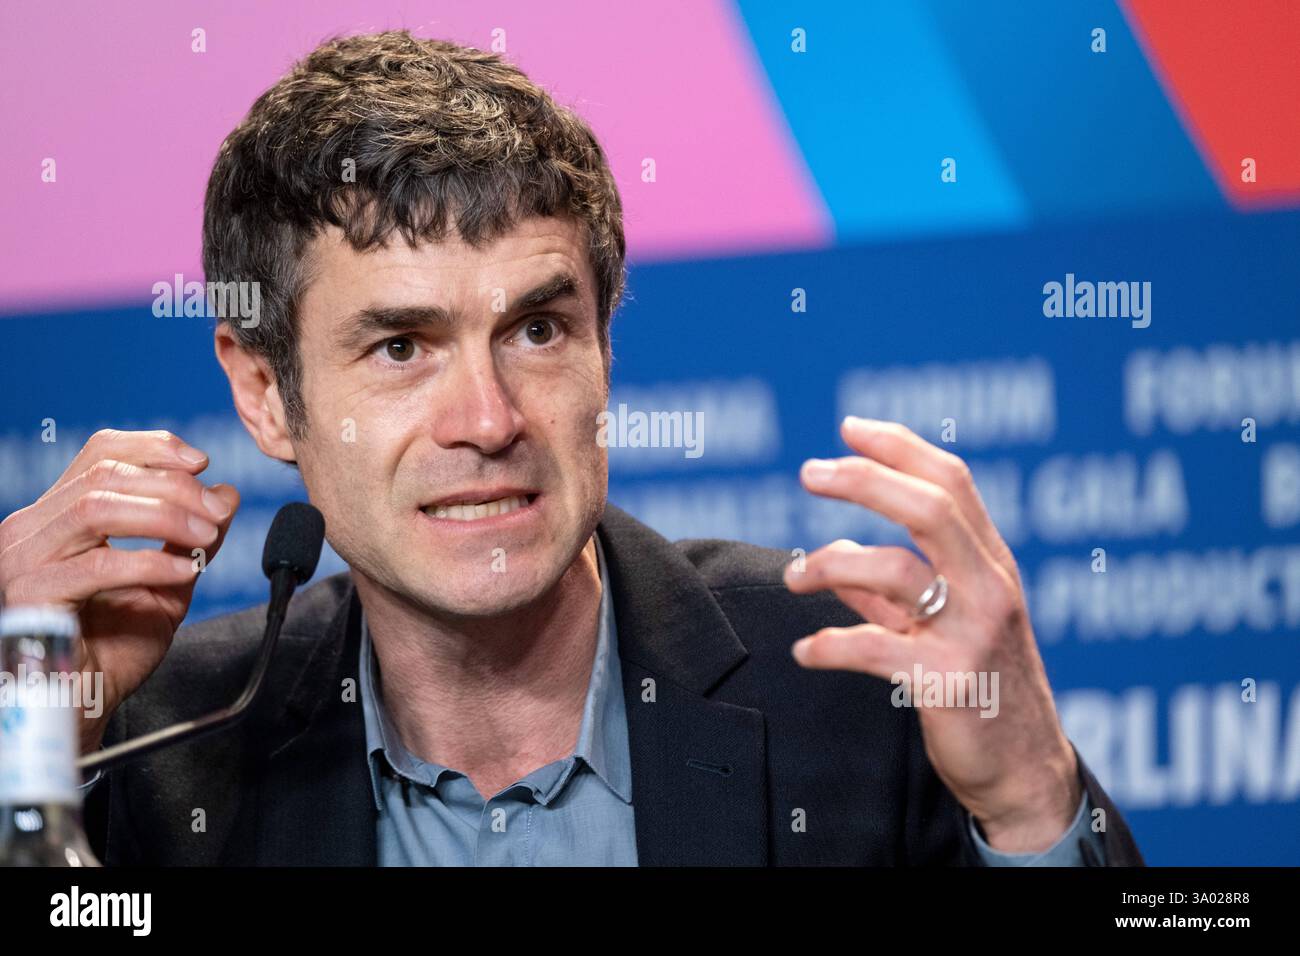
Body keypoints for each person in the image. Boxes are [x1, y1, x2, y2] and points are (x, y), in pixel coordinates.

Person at [0, 31, 1141, 866]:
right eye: (401, 346)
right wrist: (28, 748)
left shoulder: (845, 685)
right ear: (265, 393)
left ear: (605, 346)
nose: (489, 418)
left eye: (537, 330)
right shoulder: (164, 747)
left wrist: (1036, 800)